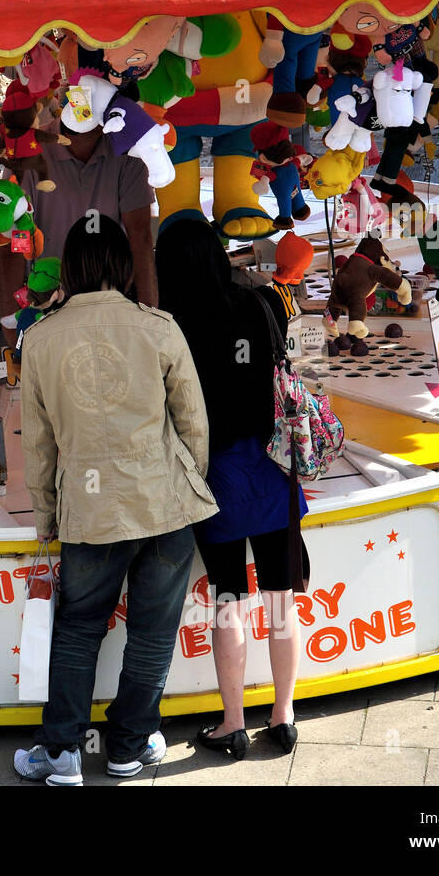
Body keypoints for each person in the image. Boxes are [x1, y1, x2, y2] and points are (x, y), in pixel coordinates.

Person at [13, 214, 218, 785]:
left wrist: (47, 515)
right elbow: (193, 423)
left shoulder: (41, 338)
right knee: (153, 629)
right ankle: (129, 748)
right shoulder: (158, 327)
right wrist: (187, 482)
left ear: (71, 266)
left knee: (79, 627)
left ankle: (62, 753)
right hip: (164, 504)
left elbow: (40, 441)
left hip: (89, 508)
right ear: (126, 266)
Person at [155, 219, 310, 760]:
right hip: (271, 468)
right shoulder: (261, 304)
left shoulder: (169, 323)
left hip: (212, 476)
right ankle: (285, 715)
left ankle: (233, 723)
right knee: (282, 596)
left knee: (228, 600)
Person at [0, 119, 156, 340]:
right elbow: (13, 244)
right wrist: (15, 339)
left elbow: (141, 238)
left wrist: (149, 322)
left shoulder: (129, 149)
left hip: (109, 305)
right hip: (45, 303)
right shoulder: (27, 151)